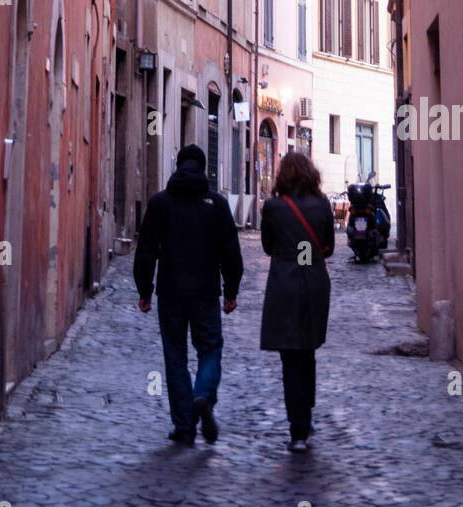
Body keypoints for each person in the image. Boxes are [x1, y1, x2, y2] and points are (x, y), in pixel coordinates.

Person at [134, 144, 243, 446]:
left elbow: (145, 252)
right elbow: (231, 253)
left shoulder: (160, 203)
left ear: (178, 167)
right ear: (203, 168)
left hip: (170, 293)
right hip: (206, 292)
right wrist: (231, 291)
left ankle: (184, 426)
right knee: (209, 348)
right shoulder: (217, 205)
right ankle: (203, 394)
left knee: (175, 357)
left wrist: (145, 290)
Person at [260, 150, 335, 452]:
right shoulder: (321, 205)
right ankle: (306, 414)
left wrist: (292, 254)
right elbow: (328, 246)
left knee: (291, 358)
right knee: (308, 350)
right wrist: (307, 256)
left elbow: (267, 246)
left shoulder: (274, 207)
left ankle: (298, 429)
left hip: (285, 285)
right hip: (314, 282)